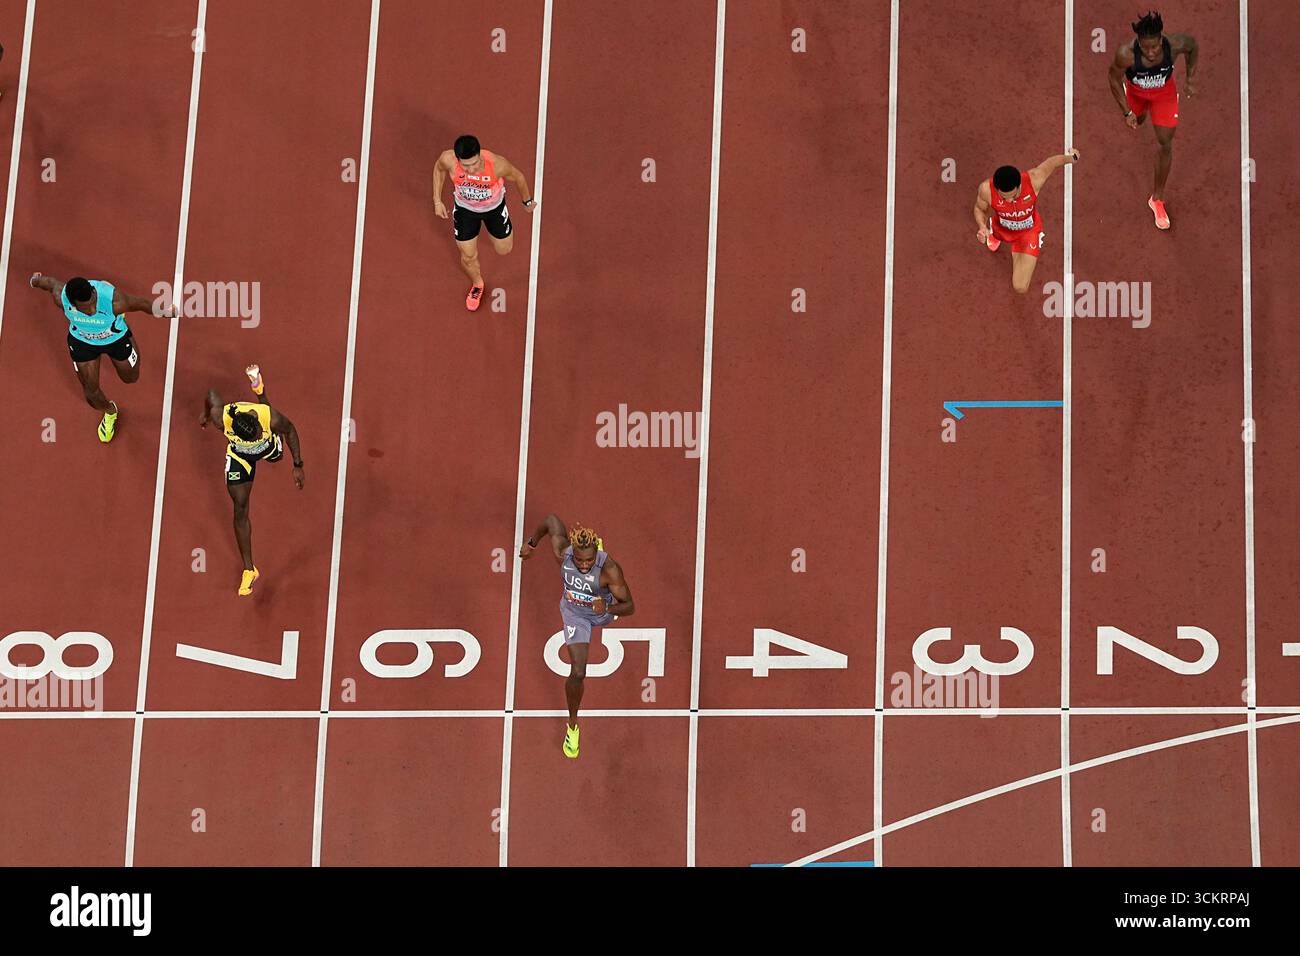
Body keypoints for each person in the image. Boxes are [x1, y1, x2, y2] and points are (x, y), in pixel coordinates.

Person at [520, 515, 635, 758]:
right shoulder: (564, 554)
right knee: (578, 672)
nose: (584, 566)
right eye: (580, 560)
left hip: (602, 612)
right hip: (575, 616)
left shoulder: (609, 570)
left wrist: (608, 609)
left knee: (611, 607)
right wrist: (531, 543)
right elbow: (550, 521)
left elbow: (630, 607)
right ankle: (573, 726)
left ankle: (602, 597)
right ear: (574, 554)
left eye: (589, 560)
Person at [29, 272, 174, 442]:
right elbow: (49, 282)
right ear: (73, 303)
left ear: (93, 292)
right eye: (86, 307)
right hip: (83, 342)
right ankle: (110, 412)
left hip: (115, 338)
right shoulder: (61, 297)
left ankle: (121, 320)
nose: (92, 309)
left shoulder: (113, 300)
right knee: (91, 394)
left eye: (93, 301)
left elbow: (142, 304)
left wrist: (166, 311)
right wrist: (35, 280)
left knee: (131, 377)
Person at [199, 365, 304, 596]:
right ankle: (249, 569)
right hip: (239, 455)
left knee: (277, 455)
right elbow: (211, 394)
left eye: (258, 431)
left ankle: (259, 388)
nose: (257, 434)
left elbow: (291, 430)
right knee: (240, 508)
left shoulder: (268, 420)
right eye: (254, 435)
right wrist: (206, 413)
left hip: (268, 448)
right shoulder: (222, 418)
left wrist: (297, 465)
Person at [1107, 11, 1198, 230]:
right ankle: (1139, 114)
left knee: (1165, 142)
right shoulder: (1125, 54)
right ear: (1138, 42)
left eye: (1154, 47)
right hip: (1136, 95)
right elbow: (1113, 78)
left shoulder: (1174, 44)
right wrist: (1127, 112)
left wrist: (1191, 78)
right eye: (1145, 47)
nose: (1150, 52)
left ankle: (1157, 199)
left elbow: (1192, 46)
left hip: (1163, 95)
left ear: (1161, 39)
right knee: (1138, 120)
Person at [431, 134, 536, 311]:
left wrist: (526, 202)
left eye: (475, 163)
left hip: (493, 209)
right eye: (466, 166)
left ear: (480, 155)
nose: (471, 169)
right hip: (465, 211)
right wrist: (437, 200)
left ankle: (495, 231)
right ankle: (477, 284)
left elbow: (518, 177)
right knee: (468, 256)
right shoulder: (447, 160)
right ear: (457, 160)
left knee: (504, 249)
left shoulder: (497, 165)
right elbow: (438, 169)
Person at [973, 150, 1080, 294]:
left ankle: (1018, 250)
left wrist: (1072, 157)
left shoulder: (1034, 179)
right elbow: (979, 209)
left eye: (1013, 196)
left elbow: (1052, 162)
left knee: (1020, 287)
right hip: (1001, 228)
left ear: (1019, 185)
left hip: (1027, 232)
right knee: (995, 233)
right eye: (1004, 198)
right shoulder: (986, 189)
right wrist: (982, 227)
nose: (1009, 201)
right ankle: (993, 233)